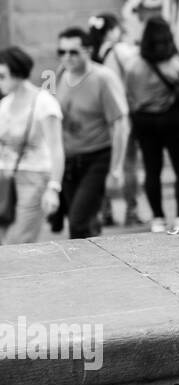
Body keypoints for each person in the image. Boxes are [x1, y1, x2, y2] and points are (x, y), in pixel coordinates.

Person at [125, 17, 179, 234]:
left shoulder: (133, 65)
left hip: (144, 121)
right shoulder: (174, 64)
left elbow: (128, 94)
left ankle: (157, 219)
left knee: (151, 170)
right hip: (172, 119)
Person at [52, 27, 127, 239]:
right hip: (68, 160)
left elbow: (121, 124)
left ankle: (81, 266)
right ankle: (97, 263)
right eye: (62, 52)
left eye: (73, 52)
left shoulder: (103, 78)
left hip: (97, 158)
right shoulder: (59, 74)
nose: (67, 57)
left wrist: (117, 169)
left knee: (78, 221)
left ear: (89, 50)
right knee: (83, 220)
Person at [0, 47, 64, 245]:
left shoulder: (44, 103)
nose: (0, 81)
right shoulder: (5, 104)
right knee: (4, 240)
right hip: (5, 179)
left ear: (17, 73)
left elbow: (56, 148)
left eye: (2, 75)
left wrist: (54, 187)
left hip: (34, 178)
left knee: (19, 241)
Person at [88, 12, 143, 226]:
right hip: (120, 114)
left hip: (98, 118)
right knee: (129, 163)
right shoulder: (119, 50)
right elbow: (137, 68)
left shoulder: (90, 53)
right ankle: (131, 211)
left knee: (102, 164)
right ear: (110, 31)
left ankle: (105, 212)